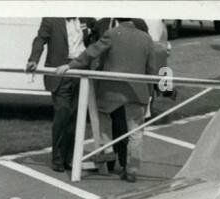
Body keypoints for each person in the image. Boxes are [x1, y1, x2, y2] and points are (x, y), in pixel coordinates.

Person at [59, 18, 165, 183]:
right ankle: (132, 170)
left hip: (111, 92)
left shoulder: (112, 34)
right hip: (137, 93)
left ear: (116, 19)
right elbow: (152, 68)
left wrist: (71, 65)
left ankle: (107, 149)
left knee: (101, 115)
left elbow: (91, 52)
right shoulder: (146, 38)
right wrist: (149, 93)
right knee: (135, 132)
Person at [26, 17, 89, 173]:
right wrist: (33, 59)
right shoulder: (51, 19)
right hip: (59, 73)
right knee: (62, 113)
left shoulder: (87, 18)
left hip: (79, 71)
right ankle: (58, 159)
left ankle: (70, 158)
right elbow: (40, 40)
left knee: (75, 117)